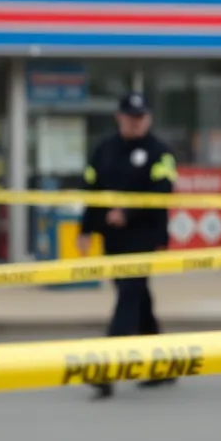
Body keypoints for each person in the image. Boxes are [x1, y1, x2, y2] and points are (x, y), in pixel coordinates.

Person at [77, 91, 178, 401]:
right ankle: (164, 365)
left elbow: (163, 190)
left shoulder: (159, 151)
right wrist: (86, 229)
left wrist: (129, 213)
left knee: (129, 296)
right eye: (131, 117)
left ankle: (107, 368)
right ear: (119, 117)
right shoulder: (104, 149)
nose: (136, 122)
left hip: (144, 236)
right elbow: (92, 190)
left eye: (141, 117)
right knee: (138, 298)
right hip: (113, 237)